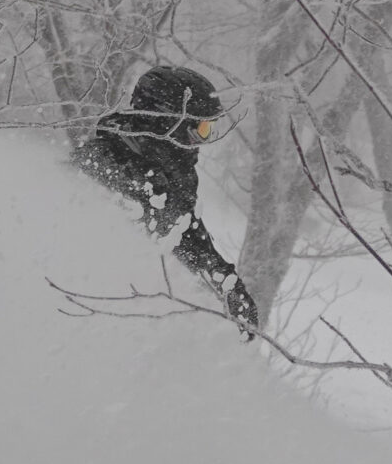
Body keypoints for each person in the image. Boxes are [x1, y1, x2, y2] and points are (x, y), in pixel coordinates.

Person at [73, 64, 260, 339]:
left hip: (138, 305)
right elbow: (157, 229)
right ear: (165, 121)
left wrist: (227, 285)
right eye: (199, 128)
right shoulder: (105, 164)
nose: (200, 140)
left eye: (207, 129)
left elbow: (183, 232)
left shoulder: (170, 170)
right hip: (95, 305)